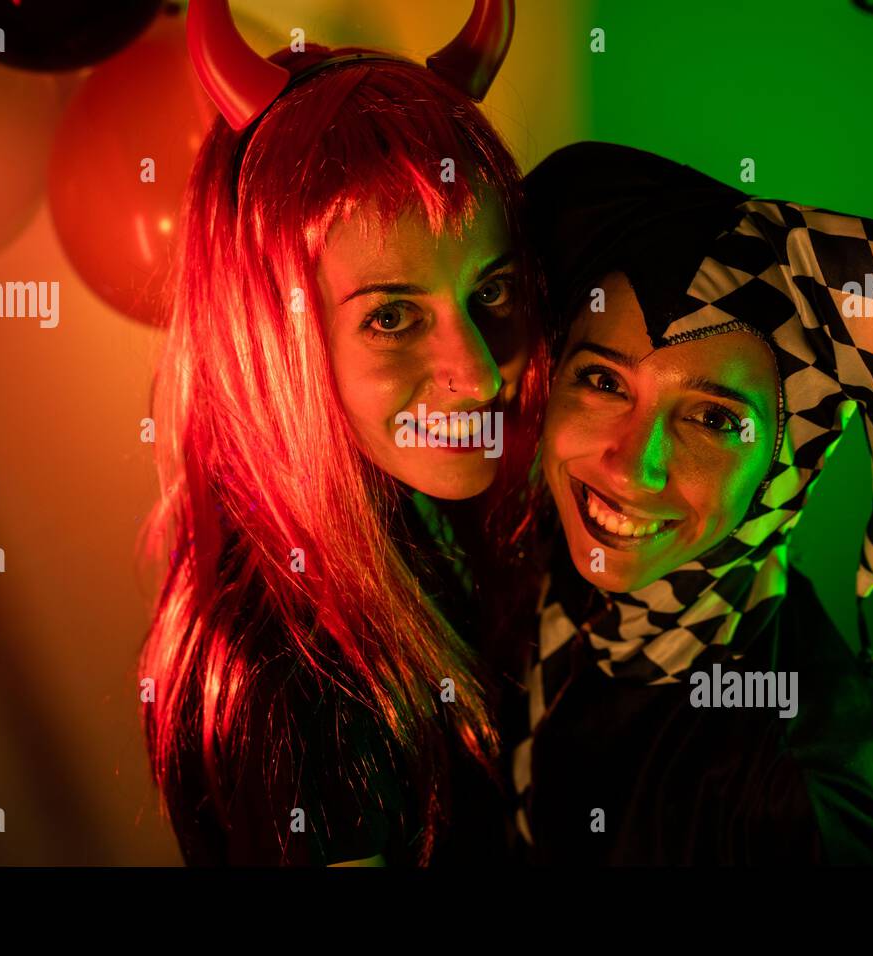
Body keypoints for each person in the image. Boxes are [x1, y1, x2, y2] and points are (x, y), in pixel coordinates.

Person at [506, 141, 873, 864]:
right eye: (604, 382)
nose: (633, 469)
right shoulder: (525, 566)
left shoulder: (804, 810)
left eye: (712, 419)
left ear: (786, 465)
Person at [139, 0, 545, 865]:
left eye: (495, 289)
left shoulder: (439, 522)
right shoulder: (286, 687)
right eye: (394, 316)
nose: (476, 374)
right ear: (273, 336)